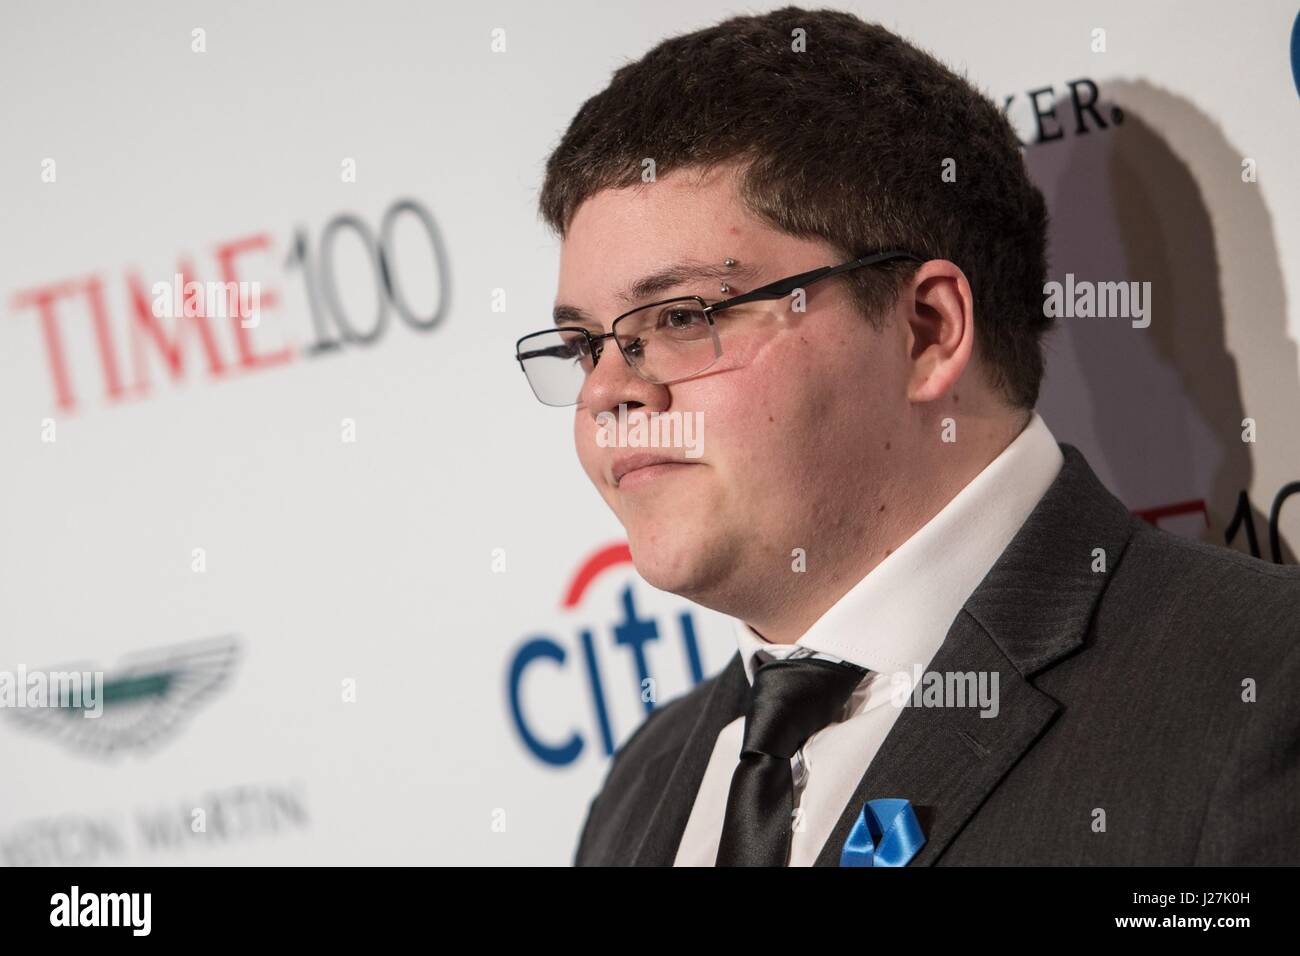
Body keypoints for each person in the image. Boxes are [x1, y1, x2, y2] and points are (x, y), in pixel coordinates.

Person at [513, 6, 1300, 865]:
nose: (606, 393)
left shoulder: (1263, 692)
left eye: (679, 316)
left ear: (927, 330)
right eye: (584, 344)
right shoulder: (643, 783)